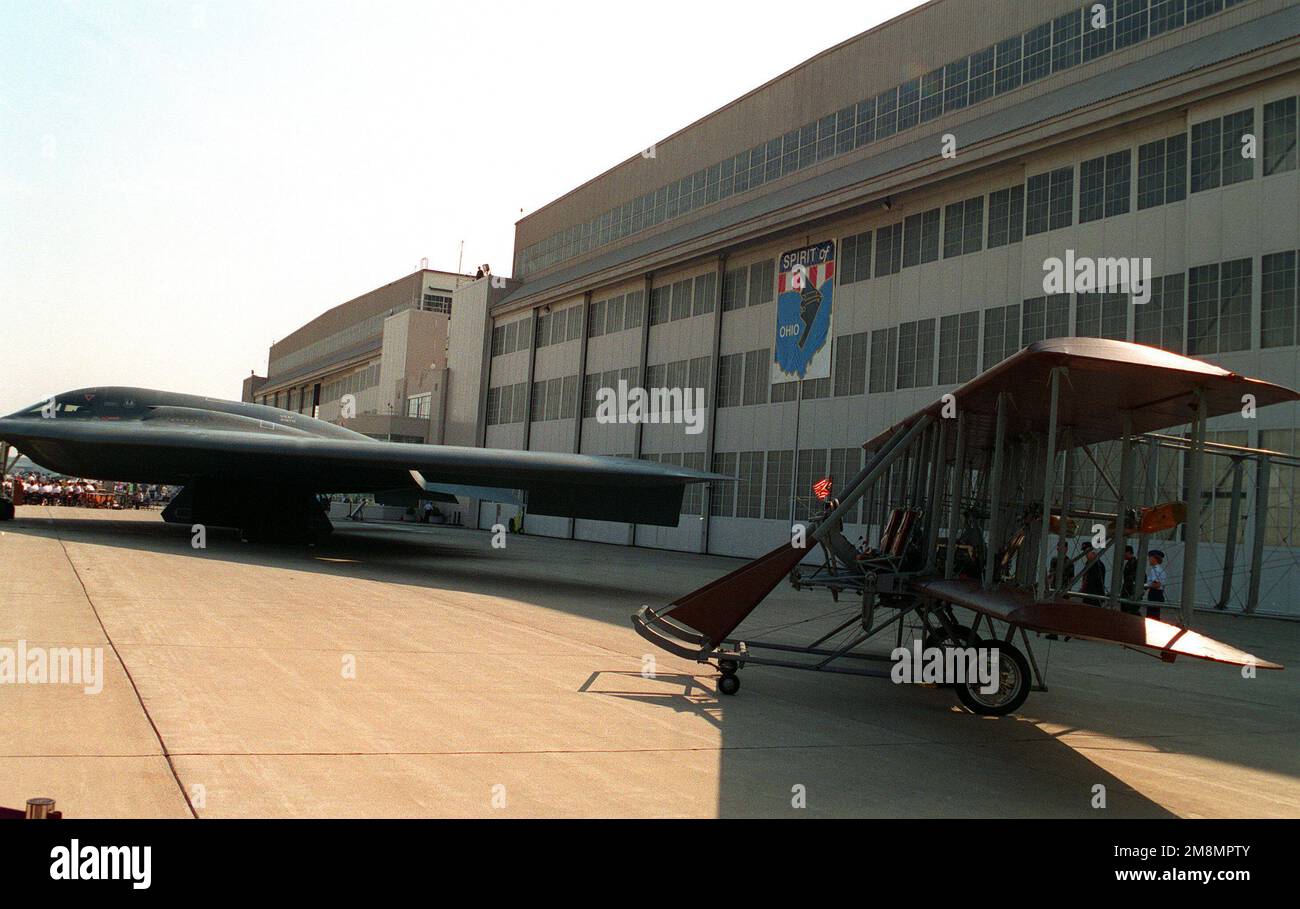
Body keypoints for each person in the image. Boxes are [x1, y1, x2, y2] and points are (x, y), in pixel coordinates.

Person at [1145, 549, 1167, 621]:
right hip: (1158, 594)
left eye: (1150, 558)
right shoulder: (1160, 569)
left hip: (1155, 593)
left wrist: (1145, 586)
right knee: (1155, 614)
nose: (1149, 560)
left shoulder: (1155, 570)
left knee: (1152, 615)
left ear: (1154, 558)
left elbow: (1157, 584)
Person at [1120, 545, 1139, 614]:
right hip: (1127, 591)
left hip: (1130, 592)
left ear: (1128, 552)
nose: (1123, 555)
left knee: (1130, 612)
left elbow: (1139, 578)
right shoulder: (1129, 563)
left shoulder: (1135, 563)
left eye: (1124, 552)